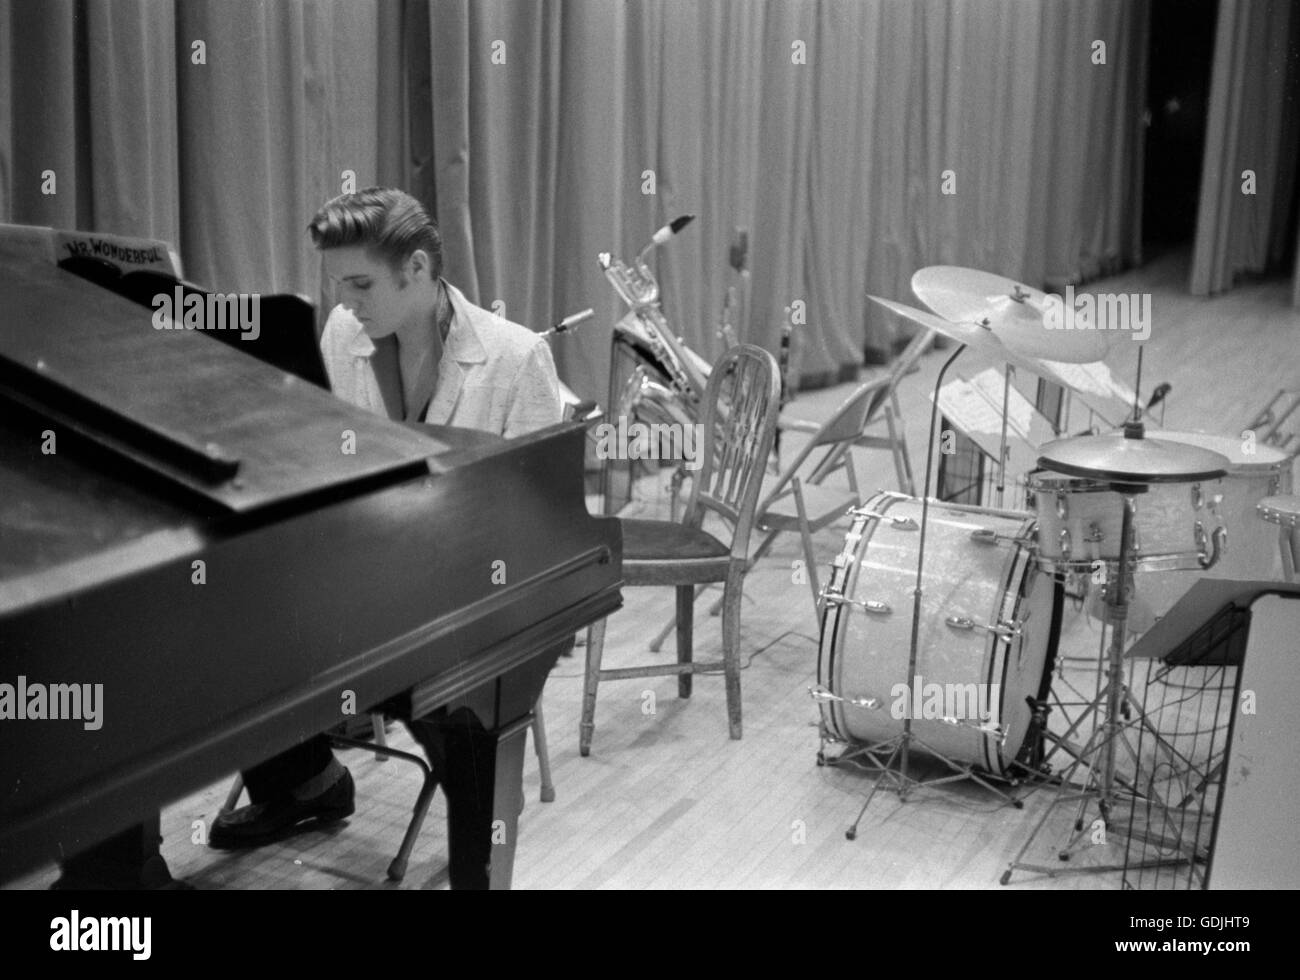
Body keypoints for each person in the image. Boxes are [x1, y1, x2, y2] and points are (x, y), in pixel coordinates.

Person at [204, 188, 564, 886]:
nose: (347, 301)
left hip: (468, 603)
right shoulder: (344, 332)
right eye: (338, 283)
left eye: (361, 283)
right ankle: (306, 784)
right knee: (226, 622)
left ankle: (478, 863)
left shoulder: (517, 359)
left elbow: (538, 528)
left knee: (461, 709)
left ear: (420, 270)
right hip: (367, 580)